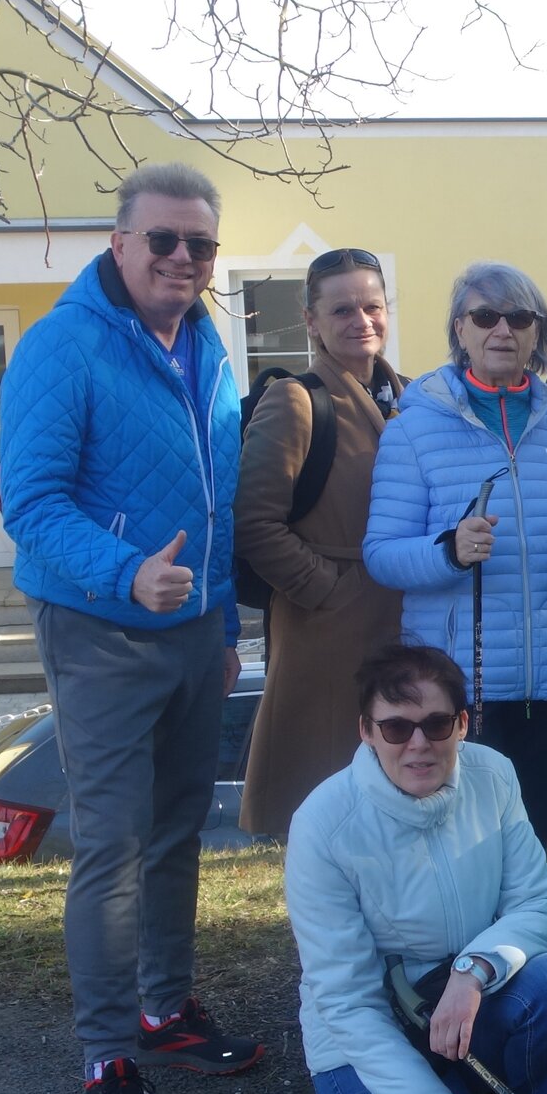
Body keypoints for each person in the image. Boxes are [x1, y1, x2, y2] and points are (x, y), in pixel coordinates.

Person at [0, 162, 260, 1094]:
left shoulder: (204, 343)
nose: (183, 259)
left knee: (179, 829)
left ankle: (165, 1009)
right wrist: (123, 573)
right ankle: (107, 1058)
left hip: (194, 630)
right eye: (164, 241)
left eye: (201, 244)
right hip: (100, 630)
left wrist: (224, 616)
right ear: (120, 243)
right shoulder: (62, 346)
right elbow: (30, 505)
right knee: (108, 849)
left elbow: (216, 499)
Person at [286, 644, 547, 1094]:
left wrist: (473, 970)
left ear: (462, 722)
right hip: (364, 1035)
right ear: (366, 732)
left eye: (436, 724)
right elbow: (344, 1000)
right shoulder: (323, 823)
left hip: (459, 1002)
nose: (418, 744)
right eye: (396, 728)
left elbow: (540, 904)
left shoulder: (493, 773)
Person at [365, 262, 547, 858]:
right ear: (460, 329)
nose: (502, 330)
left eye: (520, 318)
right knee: (464, 839)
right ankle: (459, 946)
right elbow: (380, 554)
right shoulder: (413, 427)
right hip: (461, 677)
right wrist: (449, 552)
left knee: (536, 836)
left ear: (537, 334)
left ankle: (522, 944)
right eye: (485, 316)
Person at [237, 247, 406, 835]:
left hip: (408, 623)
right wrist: (329, 591)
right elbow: (255, 521)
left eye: (372, 306)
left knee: (402, 805)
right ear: (311, 320)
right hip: (327, 634)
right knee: (330, 815)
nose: (360, 321)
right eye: (341, 310)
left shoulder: (415, 397)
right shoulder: (296, 400)